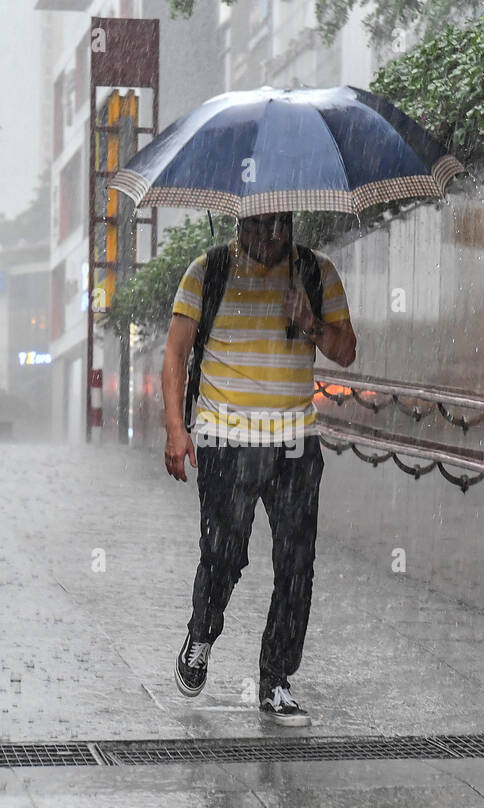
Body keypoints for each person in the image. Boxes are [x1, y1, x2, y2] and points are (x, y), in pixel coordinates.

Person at [162, 211, 357, 725]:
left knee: (296, 565)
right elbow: (176, 354)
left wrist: (310, 321)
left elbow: (347, 350)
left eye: (280, 226)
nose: (271, 238)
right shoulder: (208, 272)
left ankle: (276, 679)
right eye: (259, 227)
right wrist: (175, 431)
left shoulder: (317, 274)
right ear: (237, 223)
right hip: (227, 438)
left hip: (295, 442)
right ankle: (202, 632)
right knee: (225, 555)